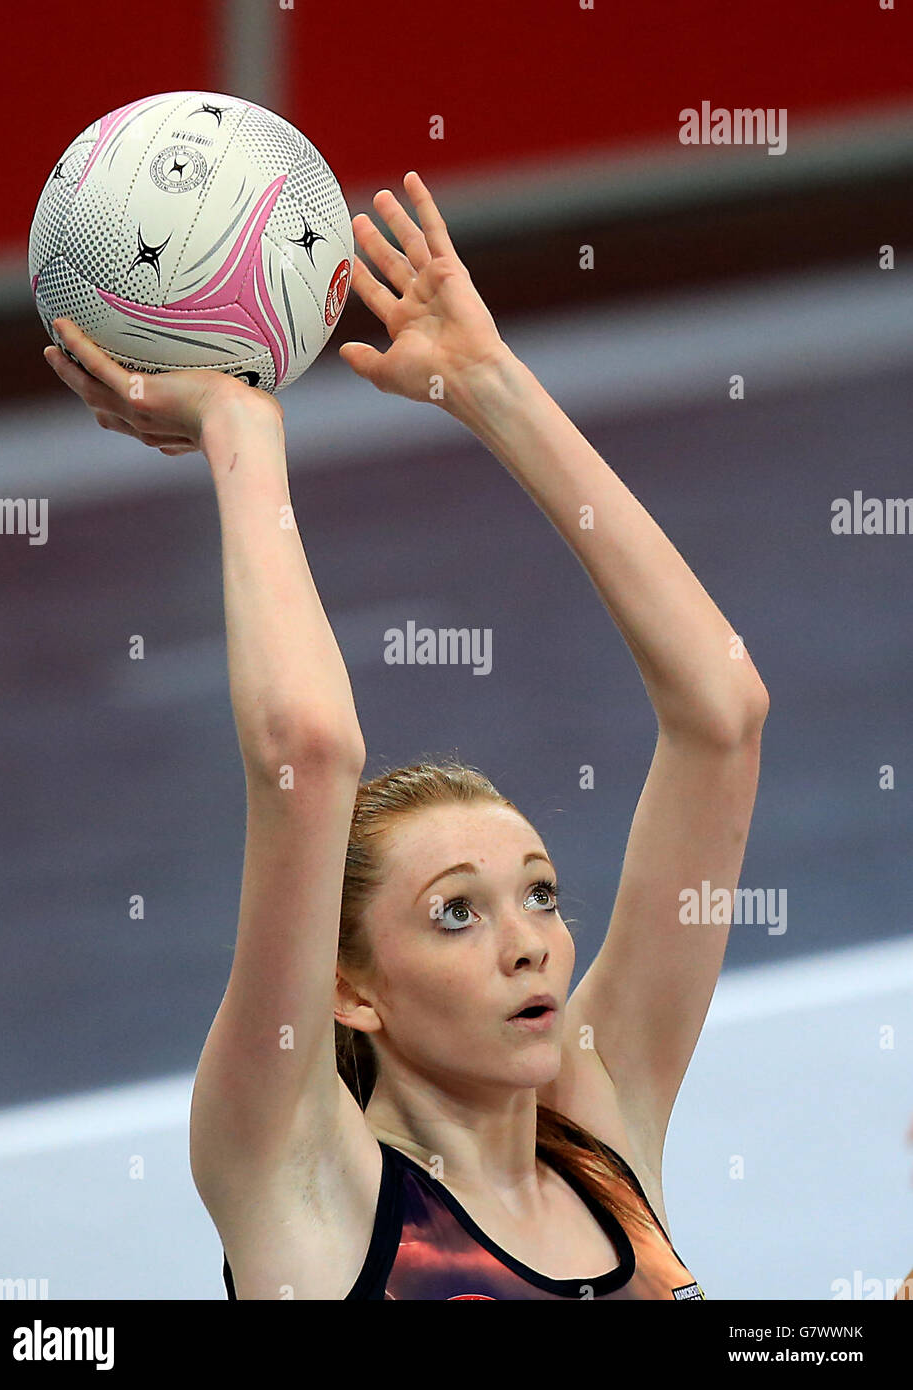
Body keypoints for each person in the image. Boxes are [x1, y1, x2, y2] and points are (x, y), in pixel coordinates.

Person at [44, 171, 769, 1300]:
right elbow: (306, 753)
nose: (530, 945)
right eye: (455, 913)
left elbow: (723, 718)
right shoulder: (299, 1179)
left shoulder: (598, 1139)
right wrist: (240, 428)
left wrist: (489, 384)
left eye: (539, 893)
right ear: (349, 989)